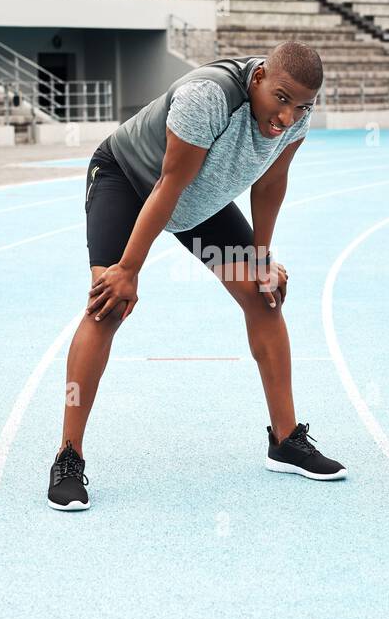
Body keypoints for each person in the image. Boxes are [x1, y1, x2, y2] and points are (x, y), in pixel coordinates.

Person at [48, 41, 347, 511]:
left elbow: (270, 184)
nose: (287, 117)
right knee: (109, 304)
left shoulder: (298, 118)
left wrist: (262, 259)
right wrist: (128, 270)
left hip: (197, 201)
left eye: (303, 106)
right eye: (282, 99)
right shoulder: (207, 98)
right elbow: (169, 183)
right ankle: (69, 457)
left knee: (263, 294)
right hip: (129, 181)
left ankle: (285, 440)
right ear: (259, 77)